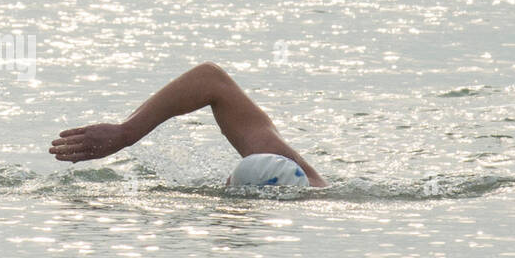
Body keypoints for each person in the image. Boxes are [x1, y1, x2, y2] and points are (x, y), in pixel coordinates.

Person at [48, 61, 327, 188]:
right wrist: (127, 132)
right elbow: (209, 79)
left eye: (230, 185)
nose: (225, 183)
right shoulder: (292, 169)